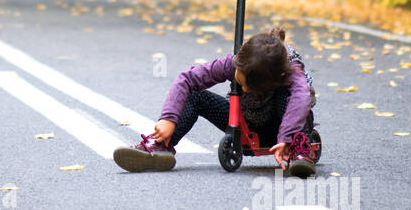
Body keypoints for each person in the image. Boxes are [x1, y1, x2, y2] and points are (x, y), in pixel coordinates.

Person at [113, 27, 320, 177]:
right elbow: (187, 79)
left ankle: (299, 148)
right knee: (196, 95)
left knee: (291, 97)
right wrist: (168, 118)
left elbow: (301, 98)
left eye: (247, 87)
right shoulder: (236, 63)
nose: (244, 90)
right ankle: (162, 145)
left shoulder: (290, 71)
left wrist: (286, 136)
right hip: (246, 125)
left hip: (282, 130)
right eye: (240, 83)